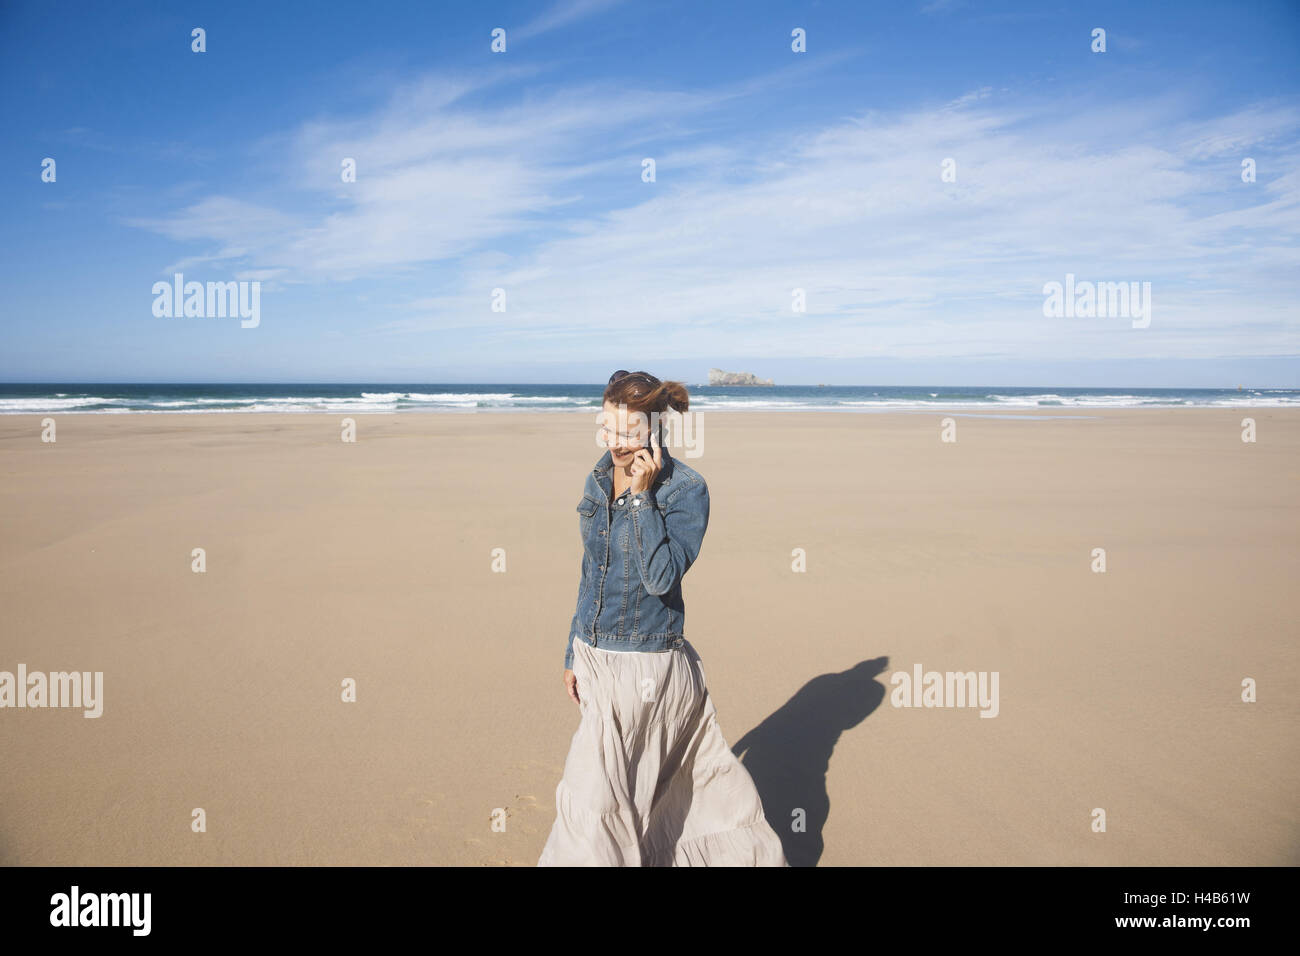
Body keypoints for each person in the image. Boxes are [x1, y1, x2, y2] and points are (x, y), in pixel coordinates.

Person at [537, 370, 788, 866]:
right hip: (596, 655)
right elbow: (594, 569)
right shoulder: (597, 475)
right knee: (629, 794)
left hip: (645, 666)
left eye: (628, 434)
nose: (614, 443)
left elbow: (659, 577)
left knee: (595, 803)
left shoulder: (685, 491)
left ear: (654, 430)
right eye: (606, 429)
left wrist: (640, 498)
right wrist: (573, 649)